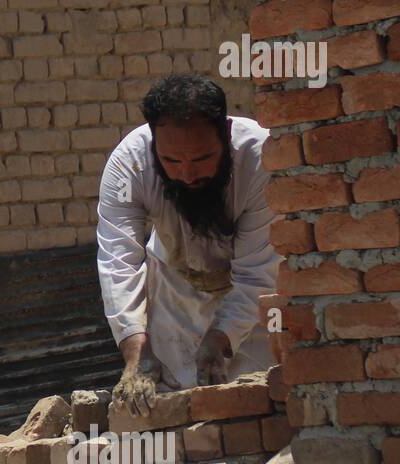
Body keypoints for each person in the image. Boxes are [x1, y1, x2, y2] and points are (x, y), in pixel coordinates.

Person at [96, 75, 280, 416]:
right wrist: (136, 351)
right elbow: (118, 261)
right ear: (153, 145)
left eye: (201, 159)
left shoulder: (261, 158)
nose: (187, 174)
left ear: (225, 136)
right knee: (176, 404)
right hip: (174, 291)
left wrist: (218, 340)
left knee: (258, 404)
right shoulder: (129, 165)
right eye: (172, 162)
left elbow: (256, 274)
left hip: (251, 299)